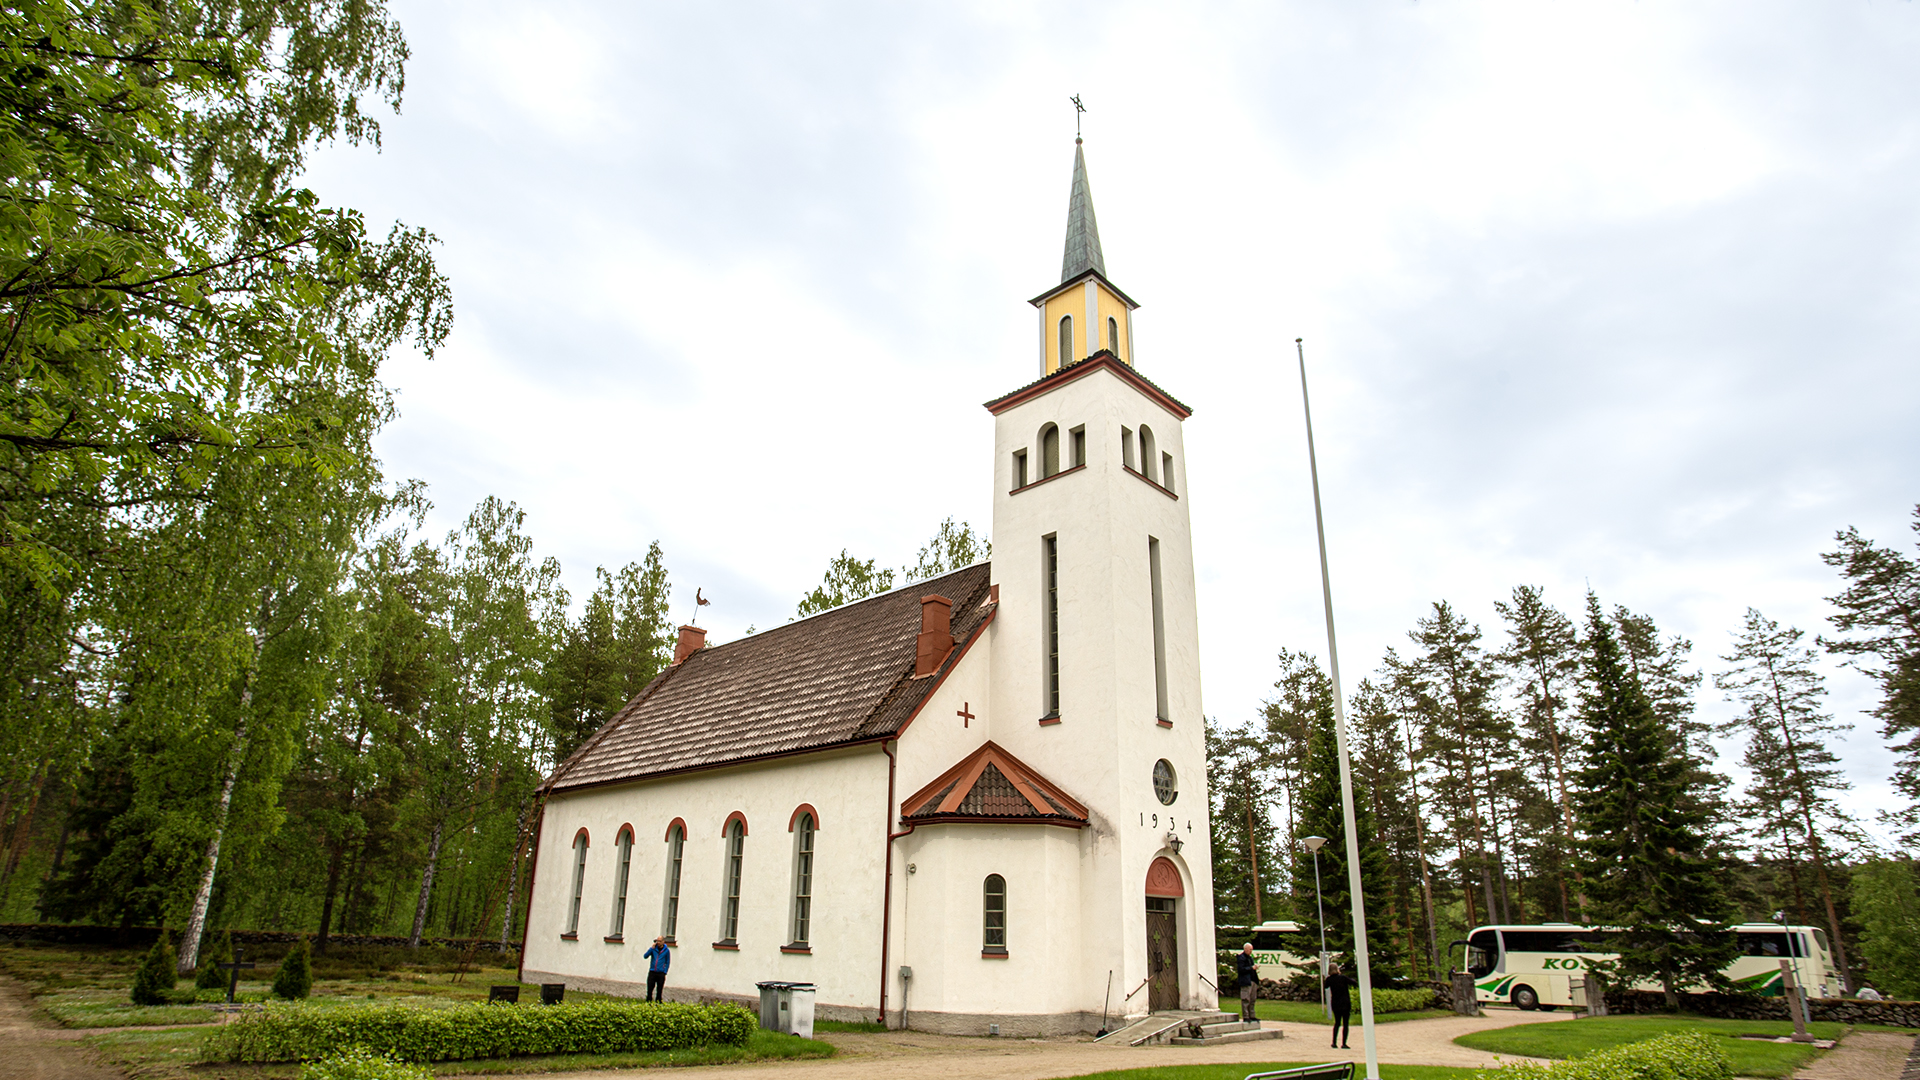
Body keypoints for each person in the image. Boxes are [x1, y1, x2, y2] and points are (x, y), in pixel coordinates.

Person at [1325, 963, 1356, 1049]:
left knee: (1337, 1023)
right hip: (1345, 1002)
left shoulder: (1329, 979)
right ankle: (1344, 1043)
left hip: (1335, 1003)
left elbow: (1326, 986)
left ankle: (1334, 1042)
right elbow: (1353, 982)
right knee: (1345, 1023)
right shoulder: (1343, 978)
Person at [1236, 942, 1260, 1023]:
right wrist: (1251, 968)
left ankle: (1252, 1015)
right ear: (1245, 949)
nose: (1251, 951)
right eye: (1250, 949)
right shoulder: (1241, 958)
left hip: (1252, 981)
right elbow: (1241, 969)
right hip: (1246, 981)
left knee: (1252, 999)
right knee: (1246, 999)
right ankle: (1246, 1016)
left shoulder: (1250, 958)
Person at [643, 936, 671, 1002]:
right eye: (657, 941)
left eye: (660, 941)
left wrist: (665, 971)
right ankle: (648, 1002)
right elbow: (645, 956)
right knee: (649, 989)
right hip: (652, 972)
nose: (658, 943)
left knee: (659, 990)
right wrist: (651, 948)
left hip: (661, 973)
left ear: (663, 942)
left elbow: (668, 962)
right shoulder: (653, 949)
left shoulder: (666, 951)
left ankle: (658, 1003)